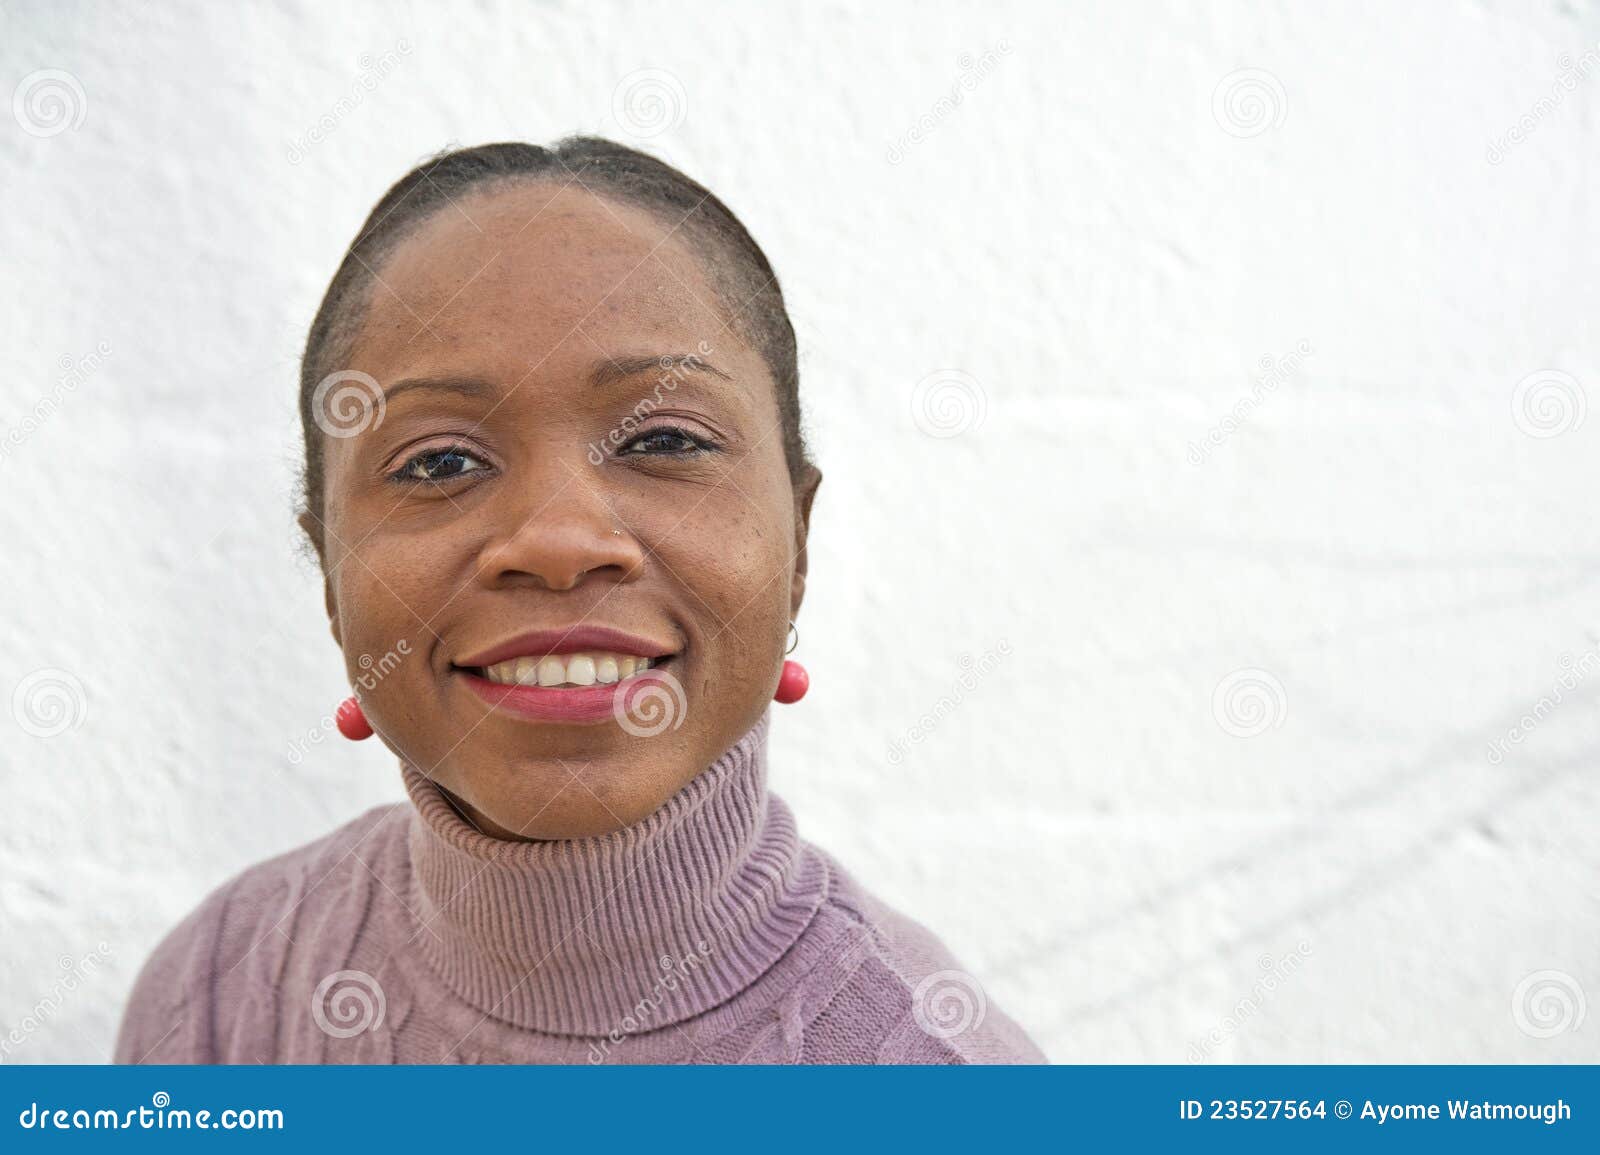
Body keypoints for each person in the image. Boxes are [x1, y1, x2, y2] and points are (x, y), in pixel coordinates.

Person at [113, 138, 1043, 1064]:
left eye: (668, 441)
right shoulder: (217, 997)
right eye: (439, 461)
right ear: (328, 570)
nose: (558, 542)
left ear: (797, 542)